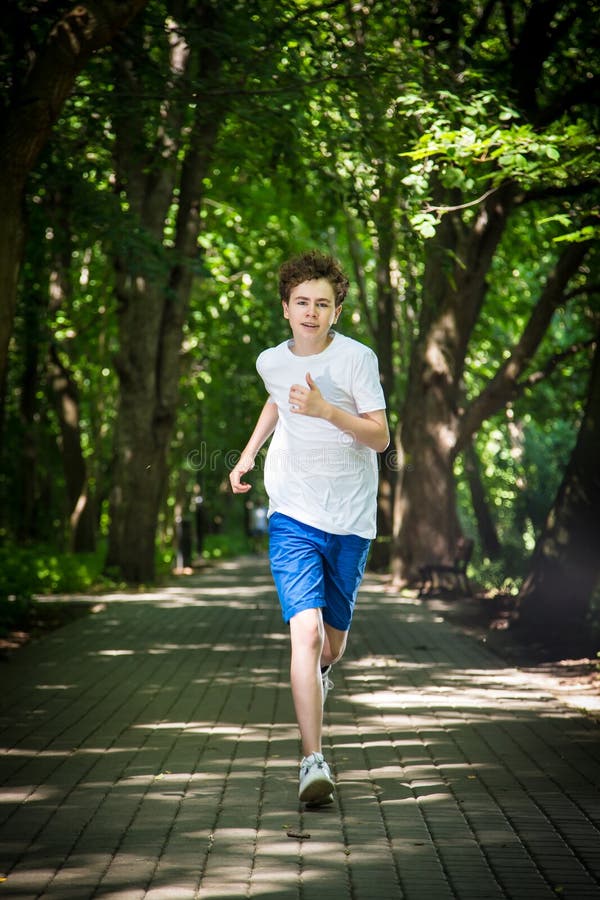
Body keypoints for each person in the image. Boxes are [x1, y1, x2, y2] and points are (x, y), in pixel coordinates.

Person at [229, 250, 389, 808]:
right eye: (302, 302)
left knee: (333, 645)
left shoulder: (356, 360)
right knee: (307, 633)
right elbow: (276, 404)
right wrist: (248, 455)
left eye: (323, 304)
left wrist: (326, 411)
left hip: (350, 518)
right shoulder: (271, 361)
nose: (311, 312)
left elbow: (380, 438)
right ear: (286, 307)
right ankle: (312, 760)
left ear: (336, 312)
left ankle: (319, 678)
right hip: (293, 510)